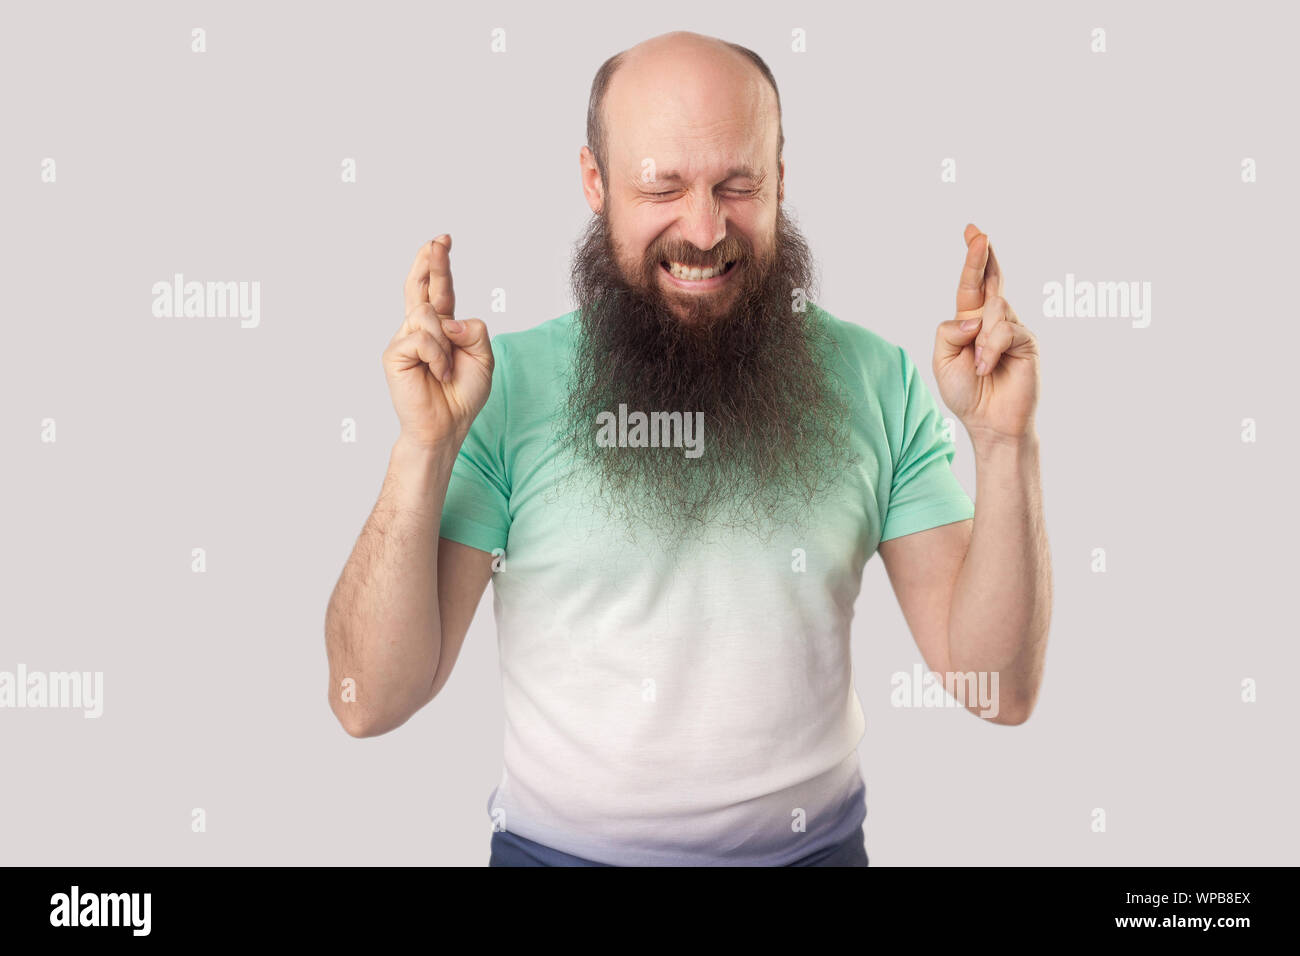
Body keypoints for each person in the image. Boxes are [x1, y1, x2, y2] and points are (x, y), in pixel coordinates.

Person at [324, 30, 1052, 867]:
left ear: (782, 176)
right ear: (595, 183)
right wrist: (424, 447)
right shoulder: (499, 389)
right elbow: (368, 704)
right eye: (661, 187)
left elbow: (995, 690)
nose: (704, 231)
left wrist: (1004, 443)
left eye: (737, 184)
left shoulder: (877, 378)